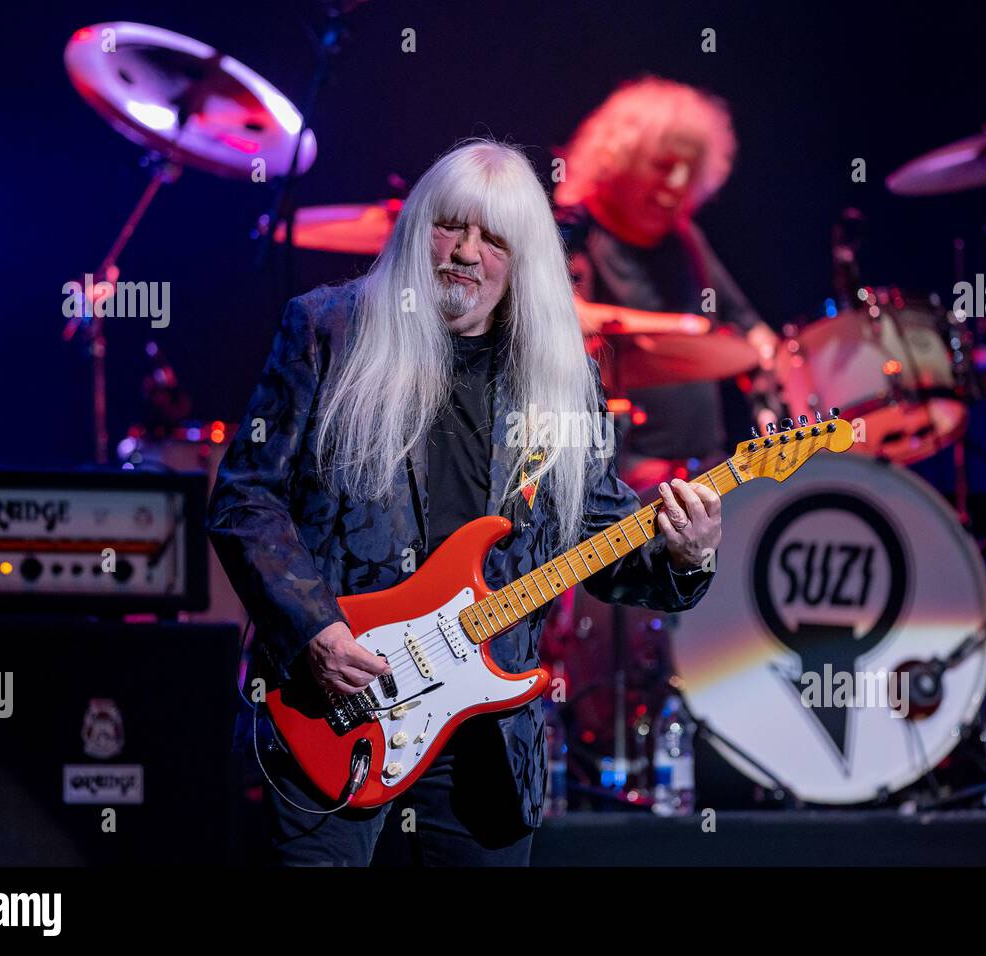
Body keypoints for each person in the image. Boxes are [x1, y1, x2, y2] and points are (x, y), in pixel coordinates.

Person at [208, 140, 722, 866]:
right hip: (334, 711)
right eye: (450, 226)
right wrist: (314, 630)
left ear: (526, 260)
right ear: (418, 229)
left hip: (484, 738)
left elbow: (596, 538)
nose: (465, 253)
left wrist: (685, 555)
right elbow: (245, 496)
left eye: (494, 238)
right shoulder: (329, 332)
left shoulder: (560, 380)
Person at [555, 76, 780, 492]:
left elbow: (749, 326)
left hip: (708, 471)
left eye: (688, 171)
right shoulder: (575, 231)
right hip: (617, 477)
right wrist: (677, 329)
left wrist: (774, 380)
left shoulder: (687, 239)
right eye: (662, 165)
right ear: (616, 160)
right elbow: (563, 316)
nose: (676, 184)